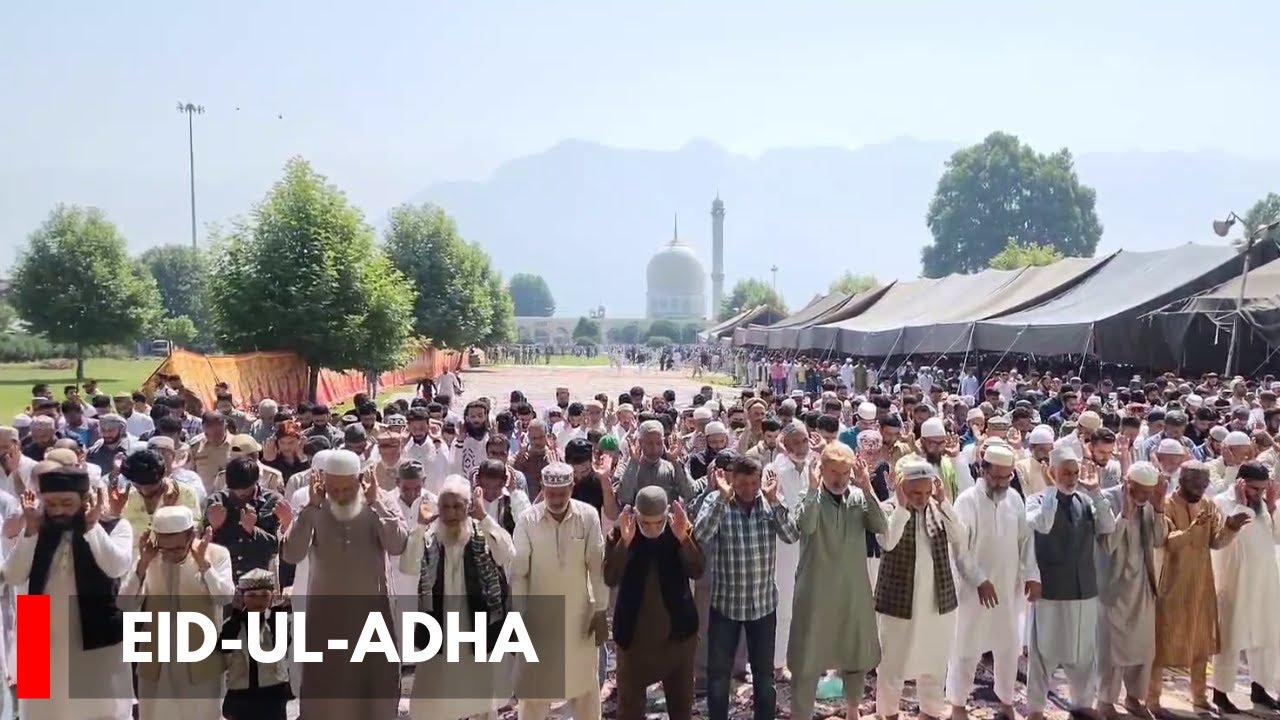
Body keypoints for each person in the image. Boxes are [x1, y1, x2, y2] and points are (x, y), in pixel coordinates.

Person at [280, 448, 408, 718]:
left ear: (360, 480)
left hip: (373, 613)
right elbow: (292, 553)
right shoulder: (313, 506)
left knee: (375, 688)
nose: (339, 495)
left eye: (346, 489)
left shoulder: (379, 500)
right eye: (333, 489)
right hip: (327, 617)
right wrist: (311, 510)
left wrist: (376, 505)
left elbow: (397, 545)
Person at [3, 467, 134, 720]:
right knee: (41, 711)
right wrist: (29, 532)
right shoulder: (36, 527)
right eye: (51, 503)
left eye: (67, 503)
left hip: (94, 629)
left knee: (97, 709)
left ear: (85, 500)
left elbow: (116, 565)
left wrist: (93, 528)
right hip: (37, 632)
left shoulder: (115, 526)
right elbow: (14, 574)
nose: (59, 510)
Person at [400, 475, 515, 720]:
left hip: (477, 626)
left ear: (469, 507)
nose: (451, 513)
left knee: (482, 699)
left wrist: (484, 517)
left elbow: (507, 554)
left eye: (457, 506)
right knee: (434, 699)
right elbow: (408, 565)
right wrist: (419, 526)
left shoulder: (482, 533)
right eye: (445, 506)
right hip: (439, 628)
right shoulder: (429, 536)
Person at [695, 454, 800, 720]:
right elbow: (701, 535)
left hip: (763, 605)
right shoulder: (717, 501)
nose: (749, 490)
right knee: (719, 676)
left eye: (754, 483)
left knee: (764, 678)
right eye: (742, 484)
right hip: (726, 605)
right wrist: (721, 496)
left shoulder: (769, 502)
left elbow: (791, 535)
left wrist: (775, 500)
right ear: (732, 480)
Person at [787, 441, 886, 720]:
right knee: (808, 659)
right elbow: (805, 526)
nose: (839, 479)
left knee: (855, 656)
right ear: (822, 470)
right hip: (815, 595)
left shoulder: (857, 497)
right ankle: (800, 715)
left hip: (852, 593)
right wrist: (812, 489)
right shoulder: (809, 497)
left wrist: (867, 488)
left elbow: (880, 526)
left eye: (845, 473)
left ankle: (853, 710)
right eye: (834, 472)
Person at [1147, 461, 1249, 716]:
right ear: (1181, 481)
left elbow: (1215, 542)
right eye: (1196, 485)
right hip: (1171, 584)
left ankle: (1200, 697)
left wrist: (1231, 528)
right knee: (1162, 644)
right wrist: (1192, 530)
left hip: (1202, 584)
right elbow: (1166, 542)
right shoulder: (1166, 505)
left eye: (1204, 485)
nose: (1201, 489)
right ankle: (1152, 700)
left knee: (1201, 643)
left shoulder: (1208, 505)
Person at [1023, 443, 1115, 720]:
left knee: (1084, 652)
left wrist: (1096, 491)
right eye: (1066, 473)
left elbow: (1108, 526)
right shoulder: (1036, 500)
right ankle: (1036, 708)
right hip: (1050, 587)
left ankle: (1082, 703)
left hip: (1084, 588)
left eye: (1075, 473)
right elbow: (1044, 524)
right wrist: (1052, 489)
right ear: (1052, 471)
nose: (1072, 478)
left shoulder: (1086, 501)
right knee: (1043, 654)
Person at [947, 443, 1039, 719]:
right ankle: (958, 704)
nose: (1001, 483)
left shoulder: (1014, 499)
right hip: (974, 592)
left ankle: (1007, 701)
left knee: (1009, 648)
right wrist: (979, 580)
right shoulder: (967, 501)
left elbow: (1026, 541)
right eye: (996, 476)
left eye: (1007, 477)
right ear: (982, 470)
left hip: (1009, 588)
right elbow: (960, 549)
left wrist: (1032, 575)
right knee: (965, 648)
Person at [511, 462, 607, 720]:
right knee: (534, 689)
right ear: (542, 489)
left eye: (562, 493)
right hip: (539, 619)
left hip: (579, 617)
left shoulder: (588, 516)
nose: (556, 499)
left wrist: (600, 611)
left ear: (571, 487)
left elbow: (597, 567)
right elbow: (519, 574)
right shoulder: (527, 520)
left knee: (584, 685)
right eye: (551, 494)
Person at [121, 505, 234, 720]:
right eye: (165, 549)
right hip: (157, 662)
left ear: (191, 536)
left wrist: (204, 566)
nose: (170, 555)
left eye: (177, 549)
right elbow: (125, 604)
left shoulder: (216, 554)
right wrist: (142, 565)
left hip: (200, 660)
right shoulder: (150, 557)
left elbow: (225, 597)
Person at [874, 459, 967, 720]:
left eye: (927, 492)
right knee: (893, 663)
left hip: (938, 602)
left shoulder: (938, 509)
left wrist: (943, 502)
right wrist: (902, 509)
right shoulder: (890, 508)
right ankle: (888, 713)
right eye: (916, 493)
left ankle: (930, 710)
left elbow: (959, 536)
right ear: (902, 487)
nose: (922, 498)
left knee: (935, 661)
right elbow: (887, 541)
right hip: (899, 603)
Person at [603, 486, 703, 720]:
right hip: (634, 640)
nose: (652, 528)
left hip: (678, 638)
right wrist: (624, 543)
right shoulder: (622, 534)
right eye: (645, 523)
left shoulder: (679, 529)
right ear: (636, 515)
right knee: (629, 711)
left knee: (681, 710)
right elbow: (610, 577)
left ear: (666, 514)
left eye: (658, 522)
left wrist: (683, 539)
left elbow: (697, 570)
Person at [1095, 461, 1167, 719]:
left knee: (1143, 648)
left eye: (1150, 493)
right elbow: (1107, 545)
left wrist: (1158, 508)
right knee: (1111, 649)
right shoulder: (1105, 499)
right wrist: (1124, 514)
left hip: (1142, 586)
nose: (1145, 498)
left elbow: (1159, 540)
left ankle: (1135, 698)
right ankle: (1105, 701)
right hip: (1113, 587)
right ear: (1128, 483)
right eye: (1142, 492)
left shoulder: (1150, 503)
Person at [1209, 461, 1280, 712]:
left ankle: (1260, 689)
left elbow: (1276, 536)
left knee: (1265, 635)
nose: (1258, 495)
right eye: (1253, 489)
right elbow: (1229, 538)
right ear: (1240, 482)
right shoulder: (1222, 502)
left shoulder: (1263, 506)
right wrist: (1241, 503)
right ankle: (1220, 693)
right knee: (1231, 638)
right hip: (1235, 582)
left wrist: (1271, 508)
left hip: (1264, 583)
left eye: (1262, 490)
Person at [219, 568, 293, 720]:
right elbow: (224, 646)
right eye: (252, 596)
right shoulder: (234, 624)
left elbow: (281, 644)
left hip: (272, 692)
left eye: (264, 595)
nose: (258, 601)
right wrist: (236, 613)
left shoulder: (275, 621)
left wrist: (277, 610)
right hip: (242, 693)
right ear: (242, 597)